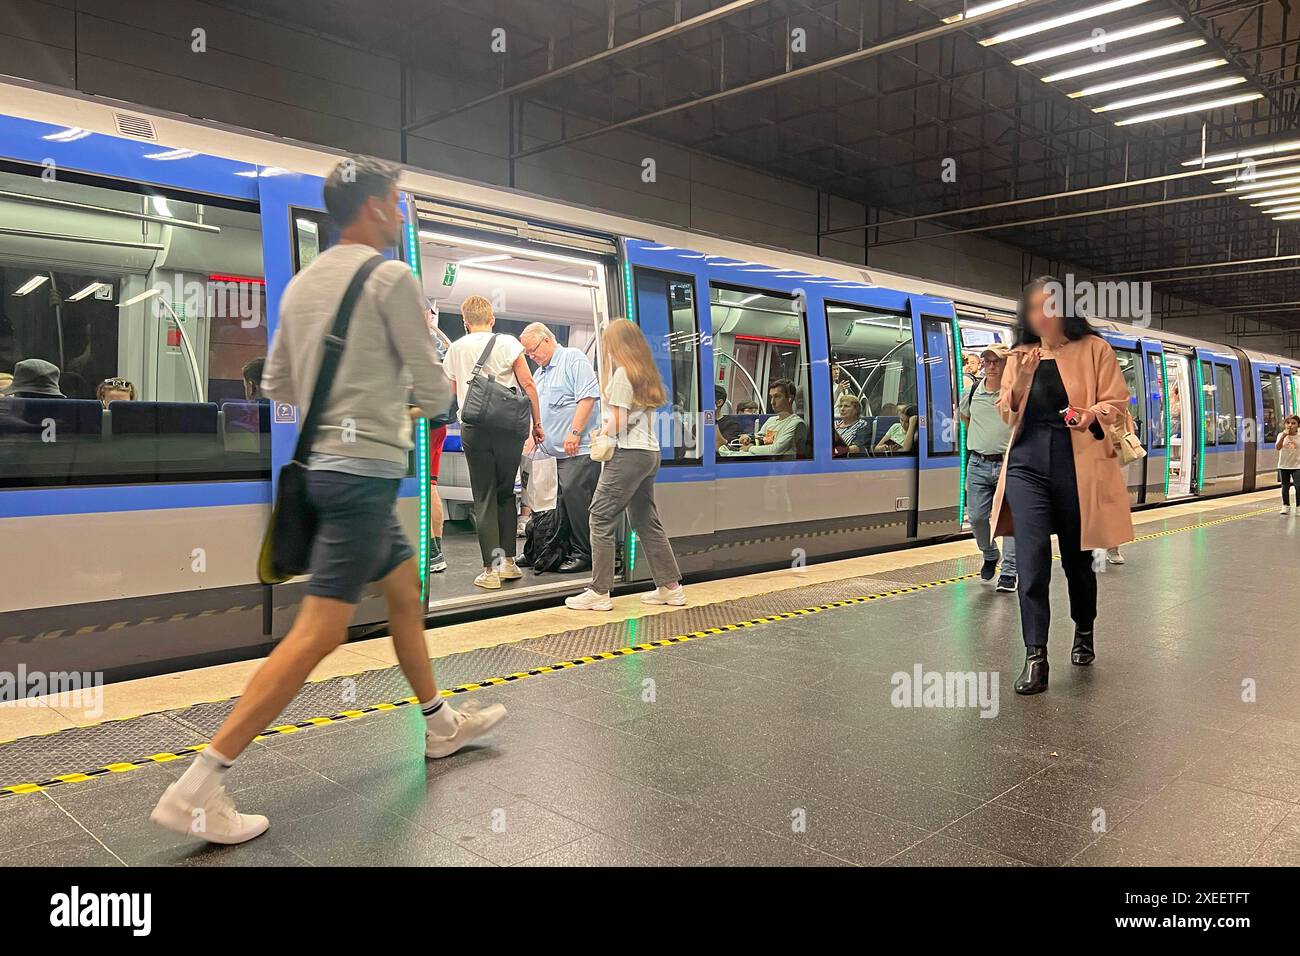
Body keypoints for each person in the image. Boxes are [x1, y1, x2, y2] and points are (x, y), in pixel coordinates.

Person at [150, 156, 506, 845]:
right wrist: (399, 395)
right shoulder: (391, 278)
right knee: (318, 632)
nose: (400, 215)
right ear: (373, 208)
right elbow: (437, 397)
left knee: (404, 592)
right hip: (364, 475)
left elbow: (278, 383)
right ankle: (200, 784)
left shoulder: (303, 285)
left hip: (320, 468)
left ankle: (439, 725)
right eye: (397, 203)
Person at [991, 277, 1134, 696]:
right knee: (1031, 560)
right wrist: (1021, 374)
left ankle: (1083, 628)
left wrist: (1091, 413)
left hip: (1078, 465)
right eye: (1033, 308)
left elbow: (1117, 402)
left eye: (1049, 307)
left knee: (1077, 559)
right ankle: (1036, 656)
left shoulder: (1095, 349)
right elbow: (1006, 410)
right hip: (1026, 464)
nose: (1042, 315)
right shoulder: (1019, 354)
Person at [566, 319, 686, 611]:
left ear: (614, 345)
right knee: (645, 519)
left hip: (629, 453)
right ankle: (670, 587)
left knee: (600, 515)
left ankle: (599, 591)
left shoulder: (622, 375)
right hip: (649, 453)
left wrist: (600, 432)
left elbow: (619, 421)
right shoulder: (645, 374)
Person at [445, 296, 543, 590]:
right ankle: (509, 563)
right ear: (492, 320)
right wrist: (536, 424)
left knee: (484, 495)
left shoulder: (456, 348)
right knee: (504, 493)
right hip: (509, 429)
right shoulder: (508, 343)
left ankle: (490, 571)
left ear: (465, 322)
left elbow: (450, 393)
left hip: (475, 429)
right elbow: (528, 383)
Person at [519, 322, 601, 573]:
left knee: (576, 503)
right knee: (548, 505)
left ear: (546, 340)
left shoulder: (572, 359)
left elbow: (587, 398)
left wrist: (574, 432)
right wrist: (533, 436)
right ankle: (546, 550)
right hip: (550, 453)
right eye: (527, 354)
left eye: (533, 350)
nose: (531, 356)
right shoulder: (540, 373)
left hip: (577, 451)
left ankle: (584, 553)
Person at [960, 345, 1018, 592]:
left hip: (1009, 465)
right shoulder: (972, 391)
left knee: (1011, 520)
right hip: (978, 463)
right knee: (977, 517)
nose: (991, 366)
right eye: (987, 361)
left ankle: (1009, 572)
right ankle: (990, 553)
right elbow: (965, 416)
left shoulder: (1015, 393)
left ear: (1007, 365)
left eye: (997, 361)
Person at [722, 378, 806, 456]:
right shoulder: (771, 420)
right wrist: (748, 438)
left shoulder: (796, 424)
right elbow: (759, 437)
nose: (772, 402)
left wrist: (749, 448)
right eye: (771, 397)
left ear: (789, 399)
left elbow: (775, 450)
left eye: (777, 397)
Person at [1277, 414, 1300, 515]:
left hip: (1297, 466)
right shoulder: (1280, 435)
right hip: (1283, 465)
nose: (1290, 425)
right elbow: (1277, 447)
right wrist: (1283, 436)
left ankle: (1299, 506)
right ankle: (1286, 505)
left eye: (1293, 423)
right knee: (1285, 486)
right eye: (1288, 423)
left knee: (1298, 486)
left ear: (1298, 425)